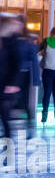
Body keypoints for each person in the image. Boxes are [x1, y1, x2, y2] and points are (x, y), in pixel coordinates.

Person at [0, 14, 25, 143]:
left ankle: (8, 141)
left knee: (5, 117)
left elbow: (16, 64)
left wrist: (12, 84)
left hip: (6, 85)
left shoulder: (11, 41)